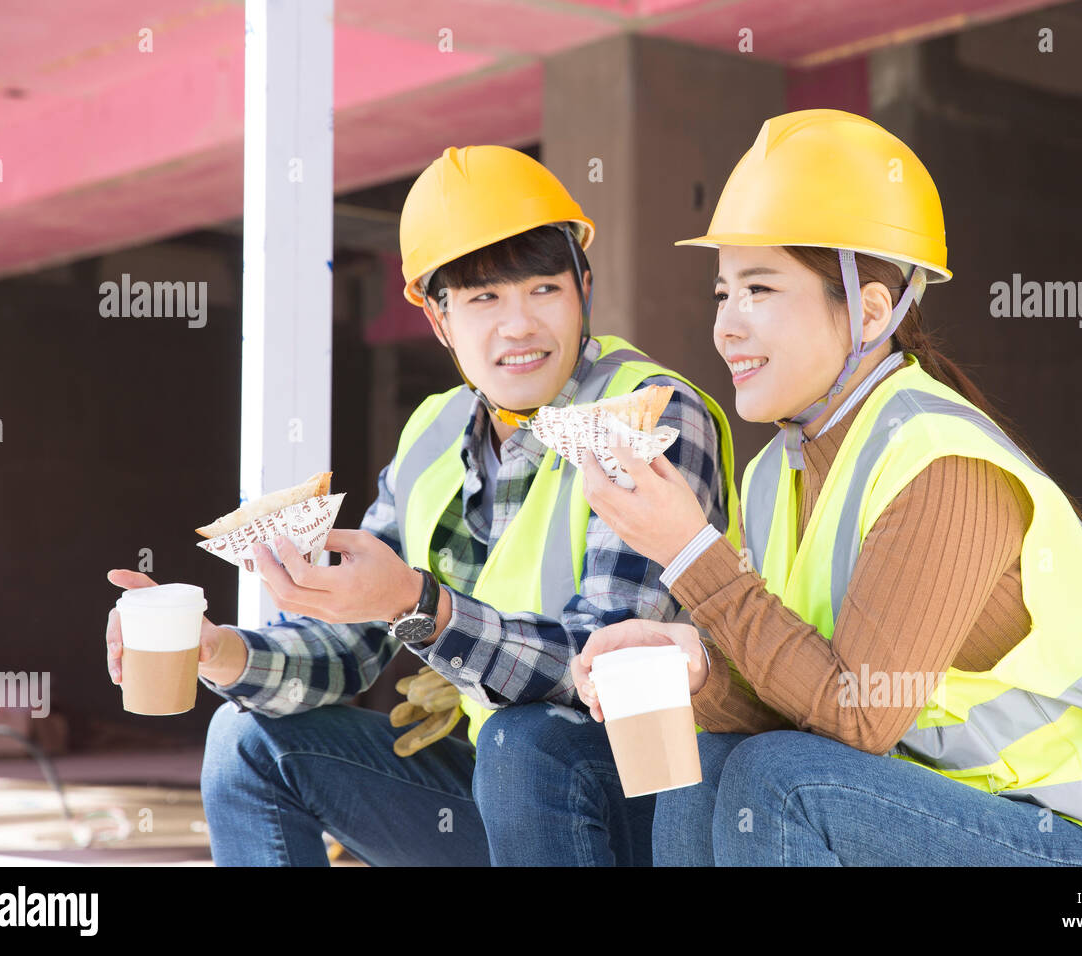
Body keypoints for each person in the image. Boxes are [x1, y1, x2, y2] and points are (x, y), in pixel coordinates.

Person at [572, 109, 1082, 867]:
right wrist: (699, 672)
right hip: (966, 819)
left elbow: (855, 719)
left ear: (870, 310)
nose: (727, 326)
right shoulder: (771, 475)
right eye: (723, 293)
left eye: (760, 288)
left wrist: (690, 553)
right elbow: (796, 701)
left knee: (781, 782)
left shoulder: (941, 463)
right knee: (706, 752)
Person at [103, 145, 739, 866]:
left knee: (523, 737)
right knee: (247, 739)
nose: (519, 325)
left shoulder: (648, 415)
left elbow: (609, 675)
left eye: (543, 290)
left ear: (583, 285)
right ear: (438, 320)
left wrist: (420, 606)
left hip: (652, 807)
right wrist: (218, 651)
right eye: (482, 299)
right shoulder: (434, 434)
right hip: (504, 796)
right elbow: (347, 652)